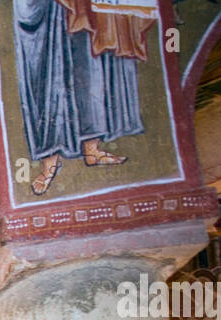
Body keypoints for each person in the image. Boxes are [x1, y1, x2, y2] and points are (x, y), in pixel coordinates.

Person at [13, 0, 154, 196]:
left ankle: (92, 148)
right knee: (51, 81)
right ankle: (50, 162)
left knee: (89, 67)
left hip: (82, 8)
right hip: (50, 14)